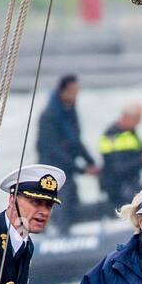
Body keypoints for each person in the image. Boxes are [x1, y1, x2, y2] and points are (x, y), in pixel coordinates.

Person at [36, 74, 98, 216]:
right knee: (61, 205)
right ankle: (59, 233)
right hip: (52, 172)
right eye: (73, 91)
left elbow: (76, 141)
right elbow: (52, 150)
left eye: (77, 91)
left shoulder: (70, 111)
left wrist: (90, 162)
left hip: (68, 170)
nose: (76, 95)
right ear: (62, 91)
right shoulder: (49, 116)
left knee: (73, 202)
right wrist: (81, 169)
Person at [98, 103, 142, 209]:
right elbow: (118, 168)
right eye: (137, 119)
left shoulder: (130, 132)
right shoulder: (111, 135)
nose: (138, 123)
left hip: (132, 182)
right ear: (126, 117)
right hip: (118, 187)